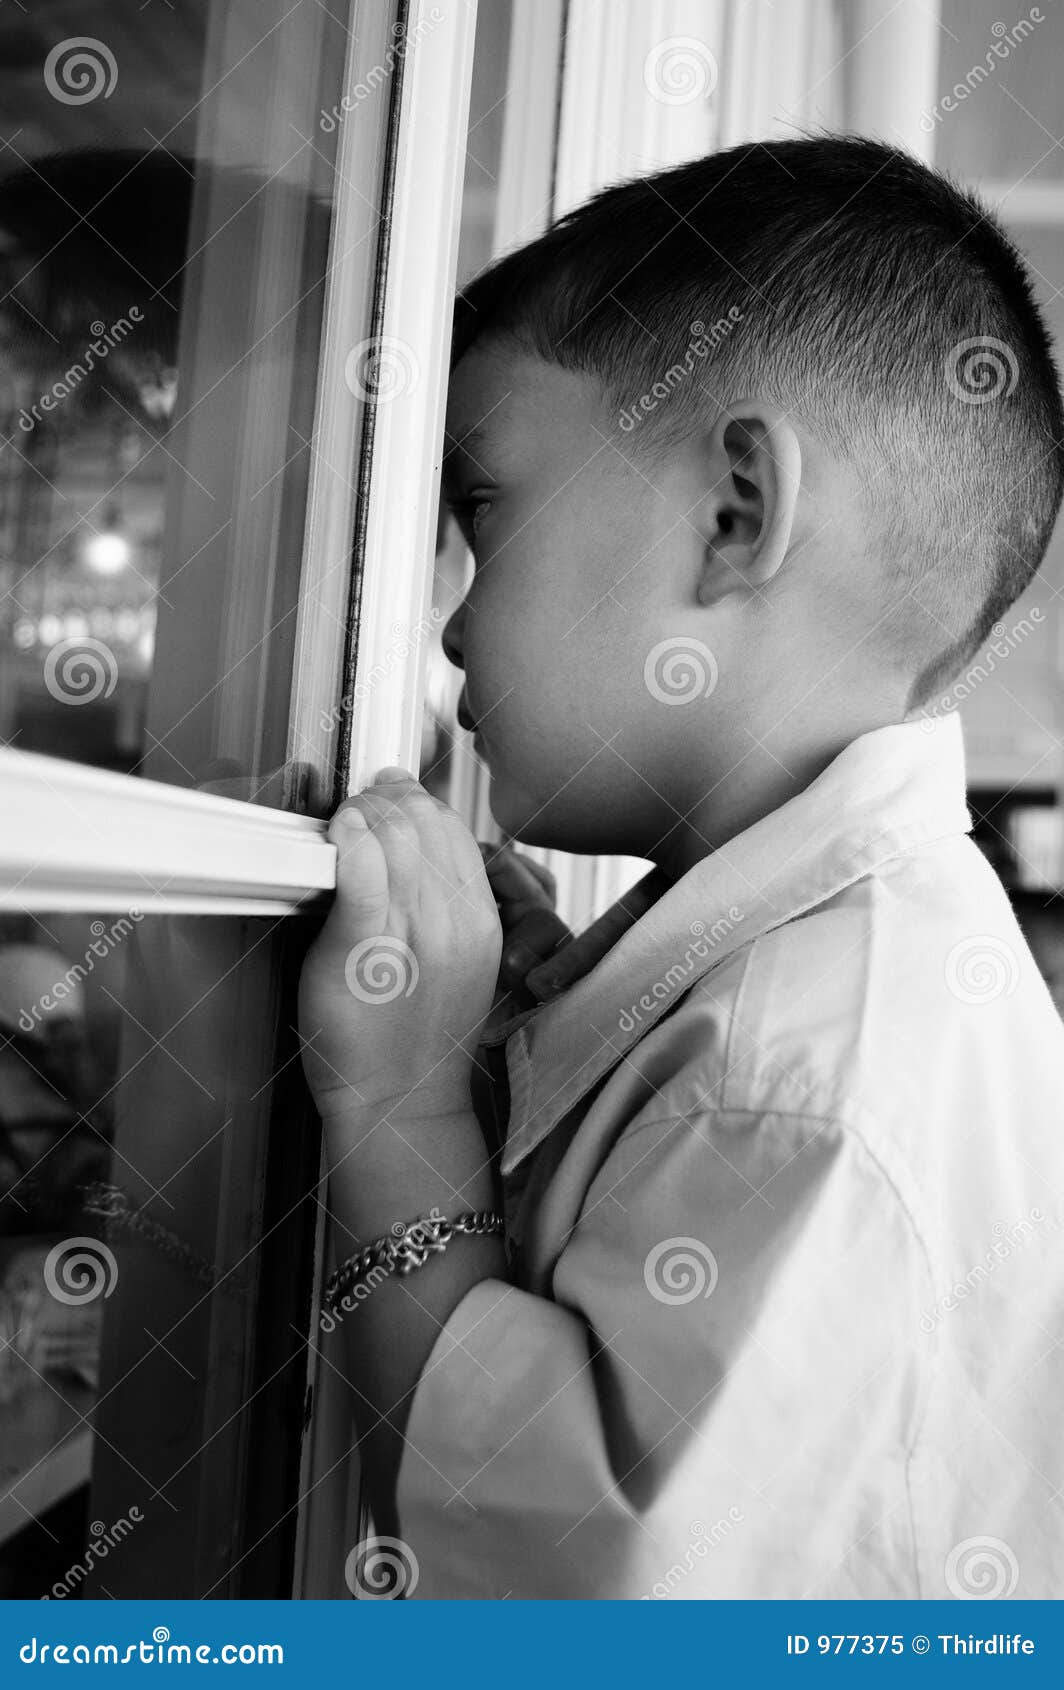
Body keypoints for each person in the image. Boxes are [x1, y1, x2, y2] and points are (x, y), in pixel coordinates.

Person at [298, 137, 1064, 1599]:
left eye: (483, 509)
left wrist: (397, 1103)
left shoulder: (798, 1080)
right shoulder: (814, 982)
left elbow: (572, 1584)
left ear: (732, 513)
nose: (447, 624)